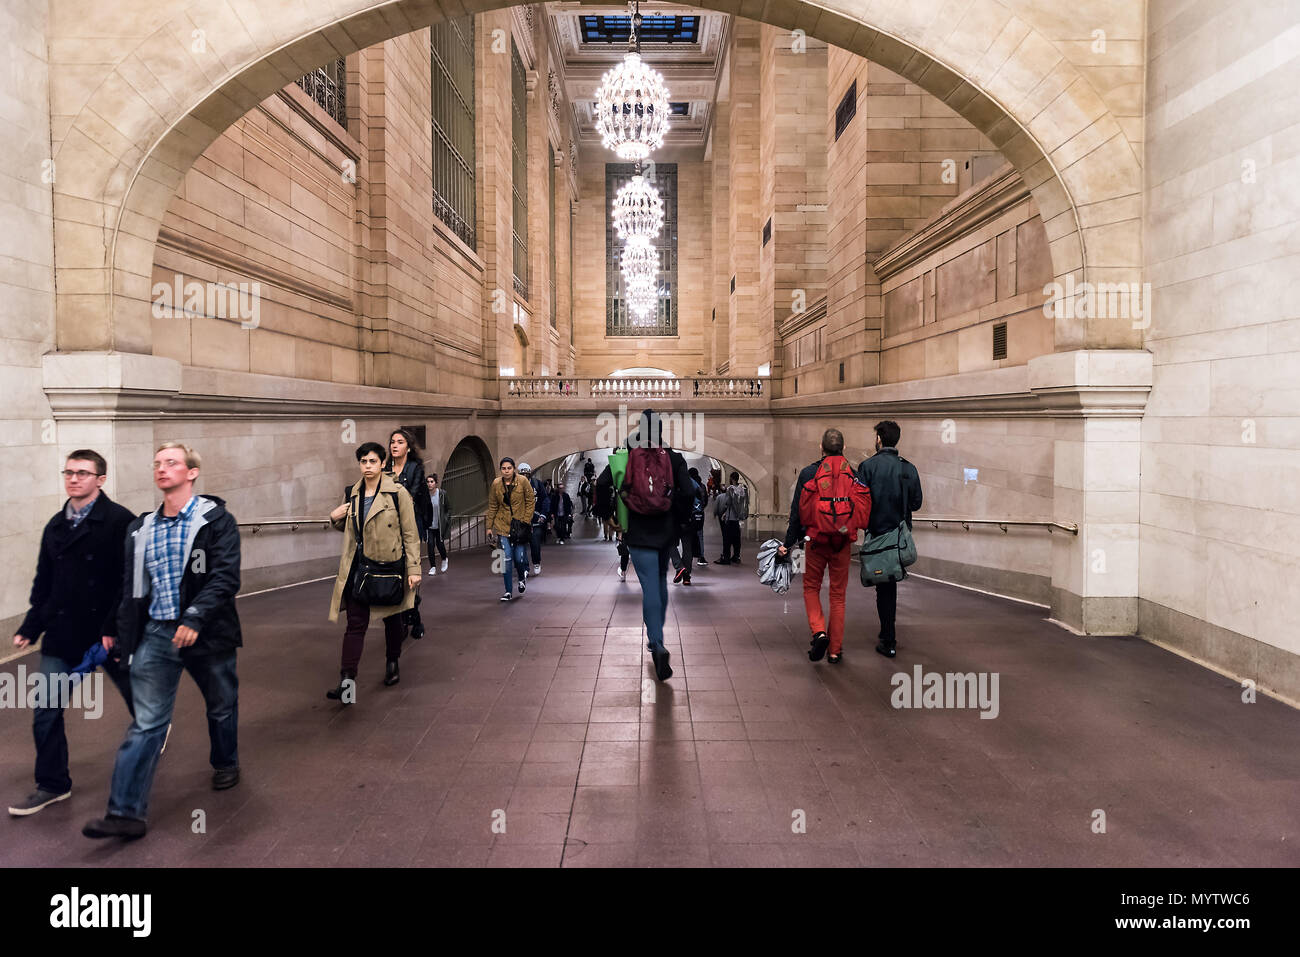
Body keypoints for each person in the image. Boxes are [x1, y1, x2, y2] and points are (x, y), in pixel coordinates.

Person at [83, 442, 243, 840]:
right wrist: (118, 631)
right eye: (157, 463)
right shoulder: (140, 528)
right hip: (156, 633)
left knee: (221, 705)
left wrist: (194, 615)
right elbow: (130, 588)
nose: (162, 469)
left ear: (191, 472)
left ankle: (226, 761)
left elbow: (225, 576)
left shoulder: (216, 520)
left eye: (171, 463)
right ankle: (125, 813)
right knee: (147, 722)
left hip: (205, 631)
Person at [9, 450, 136, 817]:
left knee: (140, 702)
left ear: (101, 479)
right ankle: (52, 784)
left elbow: (128, 583)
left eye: (83, 473)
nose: (74, 478)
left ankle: (153, 728)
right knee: (45, 711)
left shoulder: (119, 521)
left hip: (106, 634)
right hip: (64, 634)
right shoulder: (55, 525)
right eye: (69, 472)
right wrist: (31, 627)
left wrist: (114, 627)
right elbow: (45, 583)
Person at [323, 441, 422, 700]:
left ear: (382, 464)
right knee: (355, 625)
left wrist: (414, 569)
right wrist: (334, 518)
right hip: (359, 568)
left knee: (392, 619)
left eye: (372, 461)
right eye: (363, 462)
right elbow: (349, 530)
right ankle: (347, 679)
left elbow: (411, 534)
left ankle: (392, 663)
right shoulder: (352, 493)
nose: (367, 466)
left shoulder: (397, 493)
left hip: (389, 568)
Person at [779, 429, 862, 664]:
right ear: (843, 449)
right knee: (838, 595)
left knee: (811, 588)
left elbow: (796, 513)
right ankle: (835, 651)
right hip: (842, 542)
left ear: (820, 447)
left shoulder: (808, 473)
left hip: (814, 541)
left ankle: (819, 632)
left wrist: (788, 544)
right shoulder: (853, 475)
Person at [622, 410, 693, 682]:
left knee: (649, 586)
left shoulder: (629, 456)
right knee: (661, 585)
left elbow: (606, 484)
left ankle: (657, 642)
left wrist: (611, 515)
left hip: (639, 533)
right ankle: (657, 640)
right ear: (661, 431)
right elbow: (688, 492)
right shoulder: (674, 458)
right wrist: (680, 520)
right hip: (665, 533)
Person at [856, 420, 923, 658]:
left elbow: (860, 503)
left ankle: (888, 638)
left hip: (877, 537)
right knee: (889, 585)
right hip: (898, 537)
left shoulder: (867, 467)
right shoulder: (909, 469)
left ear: (879, 440)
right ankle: (888, 637)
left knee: (883, 587)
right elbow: (916, 503)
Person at [385, 429, 429, 639]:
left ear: (408, 447)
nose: (394, 445)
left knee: (409, 571)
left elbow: (410, 497)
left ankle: (414, 616)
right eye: (392, 442)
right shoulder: (384, 468)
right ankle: (404, 617)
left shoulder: (415, 468)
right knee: (396, 573)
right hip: (389, 525)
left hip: (411, 523)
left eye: (399, 442)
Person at [486, 457, 535, 601]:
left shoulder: (523, 481)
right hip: (502, 527)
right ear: (500, 469)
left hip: (519, 526)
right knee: (506, 559)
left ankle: (521, 578)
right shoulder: (496, 484)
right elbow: (493, 505)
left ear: (514, 468)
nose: (506, 471)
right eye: (503, 468)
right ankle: (508, 591)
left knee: (519, 559)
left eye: (509, 468)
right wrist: (489, 527)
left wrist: (526, 521)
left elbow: (530, 501)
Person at [669, 469, 705, 585]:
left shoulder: (673, 482)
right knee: (687, 547)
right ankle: (687, 576)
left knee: (670, 544)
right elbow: (702, 499)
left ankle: (679, 567)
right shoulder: (693, 483)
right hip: (690, 519)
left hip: (676, 519)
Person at [520, 463, 548, 574]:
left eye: (526, 474)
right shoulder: (515, 485)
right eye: (522, 474)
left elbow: (545, 499)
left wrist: (543, 514)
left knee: (535, 543)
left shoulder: (537, 484)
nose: (525, 476)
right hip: (521, 521)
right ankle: (525, 567)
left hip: (535, 521)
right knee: (520, 545)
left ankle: (536, 562)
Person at [715, 472, 748, 564]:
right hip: (738, 518)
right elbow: (745, 502)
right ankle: (736, 556)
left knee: (727, 539)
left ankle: (726, 557)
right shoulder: (743, 489)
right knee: (737, 539)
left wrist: (724, 513)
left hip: (730, 518)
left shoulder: (730, 489)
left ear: (731, 478)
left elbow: (728, 503)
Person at [424, 472, 450, 574]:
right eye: (428, 482)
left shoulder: (442, 494)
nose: (429, 484)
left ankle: (444, 559)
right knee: (430, 545)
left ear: (436, 483)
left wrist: (446, 519)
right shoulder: (425, 495)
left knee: (440, 545)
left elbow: (449, 508)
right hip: (430, 526)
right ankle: (433, 567)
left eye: (431, 482)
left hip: (439, 525)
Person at [688, 467, 709, 567]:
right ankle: (701, 556)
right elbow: (705, 500)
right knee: (700, 535)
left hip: (690, 514)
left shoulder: (689, 485)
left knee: (689, 535)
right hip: (700, 514)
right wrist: (700, 508)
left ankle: (689, 556)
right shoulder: (702, 486)